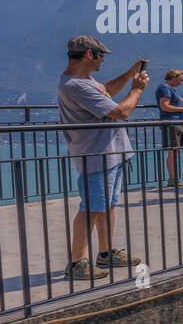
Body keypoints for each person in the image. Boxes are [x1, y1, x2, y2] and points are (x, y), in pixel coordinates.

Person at [57, 35, 147, 279]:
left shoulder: (84, 82)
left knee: (107, 205)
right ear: (89, 54)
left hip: (110, 154)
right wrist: (136, 89)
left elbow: (105, 91)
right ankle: (77, 262)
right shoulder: (75, 86)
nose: (103, 59)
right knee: (91, 207)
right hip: (97, 155)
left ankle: (106, 254)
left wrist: (128, 75)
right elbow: (120, 111)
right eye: (100, 55)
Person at [155, 69, 183, 185]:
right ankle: (172, 180)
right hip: (171, 123)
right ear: (173, 77)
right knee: (174, 151)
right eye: (180, 80)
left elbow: (180, 101)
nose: (181, 82)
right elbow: (164, 106)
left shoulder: (171, 89)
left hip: (181, 122)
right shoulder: (164, 88)